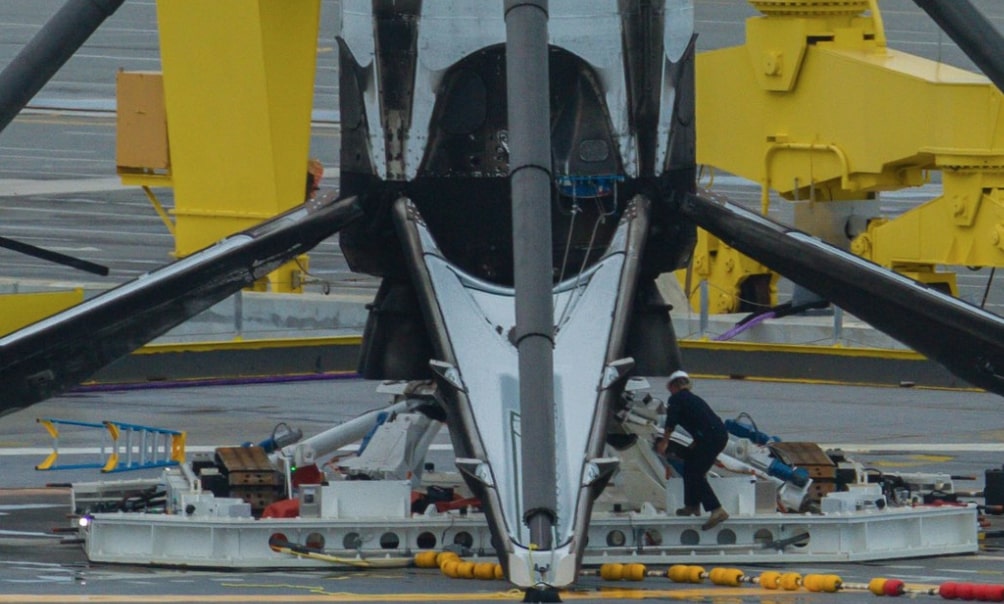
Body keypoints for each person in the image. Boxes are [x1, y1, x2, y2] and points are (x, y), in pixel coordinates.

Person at [654, 370, 730, 530]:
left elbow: (671, 421)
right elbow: (701, 421)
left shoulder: (676, 398)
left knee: (695, 472)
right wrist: (697, 442)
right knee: (690, 467)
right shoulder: (692, 399)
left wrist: (664, 442)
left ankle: (716, 509)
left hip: (710, 438)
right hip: (715, 436)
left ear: (674, 386)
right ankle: (692, 505)